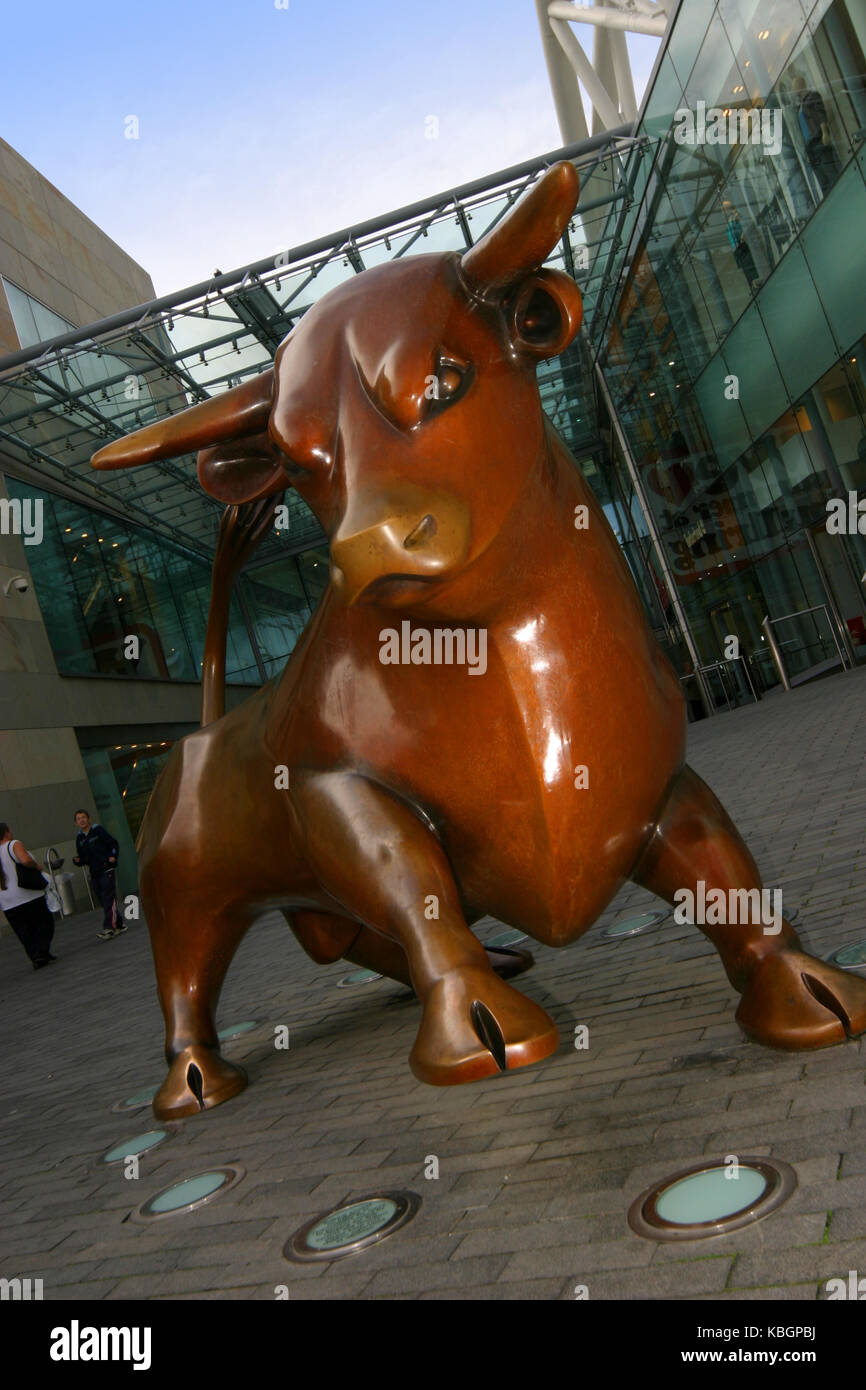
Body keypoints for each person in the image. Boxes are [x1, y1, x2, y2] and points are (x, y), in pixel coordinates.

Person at [0, 821, 56, 970]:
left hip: (7, 901)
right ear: (7, 832)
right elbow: (25, 860)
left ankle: (36, 956)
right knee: (45, 923)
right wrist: (36, 866)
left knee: (24, 932)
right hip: (28, 895)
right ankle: (42, 952)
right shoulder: (13, 845)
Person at [73, 809, 125, 940]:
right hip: (94, 872)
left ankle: (109, 927)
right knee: (103, 899)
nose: (82, 820)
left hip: (106, 868)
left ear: (89, 819)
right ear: (76, 823)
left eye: (84, 817)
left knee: (108, 897)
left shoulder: (98, 830)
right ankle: (119, 923)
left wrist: (112, 856)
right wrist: (78, 861)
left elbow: (112, 843)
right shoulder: (79, 838)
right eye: (79, 819)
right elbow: (83, 858)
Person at [789, 73, 841, 198]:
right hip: (809, 147)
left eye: (794, 86)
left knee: (830, 171)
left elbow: (821, 114)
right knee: (822, 179)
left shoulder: (812, 96)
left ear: (800, 86)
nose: (793, 90)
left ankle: (841, 194)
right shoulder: (799, 107)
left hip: (818, 140)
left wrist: (825, 132)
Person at [722, 201, 761, 292]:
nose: (723, 211)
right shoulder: (731, 219)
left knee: (750, 269)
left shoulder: (736, 216)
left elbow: (745, 227)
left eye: (724, 209)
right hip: (738, 249)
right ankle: (754, 287)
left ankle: (756, 285)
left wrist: (743, 238)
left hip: (741, 247)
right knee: (747, 271)